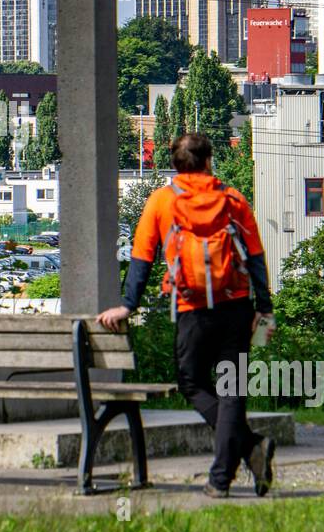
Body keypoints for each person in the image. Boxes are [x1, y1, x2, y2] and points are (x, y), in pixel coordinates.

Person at [99, 132, 277, 498]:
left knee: (192, 383)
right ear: (209, 161)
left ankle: (239, 461)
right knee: (232, 391)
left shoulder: (162, 202)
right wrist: (264, 308)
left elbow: (141, 259)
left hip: (191, 308)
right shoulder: (232, 200)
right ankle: (232, 466)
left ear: (176, 165)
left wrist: (128, 306)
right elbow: (256, 256)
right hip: (236, 306)